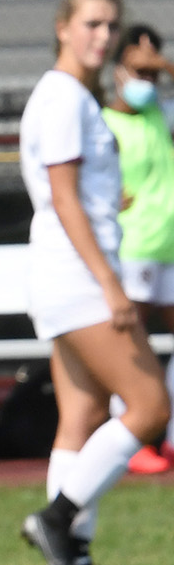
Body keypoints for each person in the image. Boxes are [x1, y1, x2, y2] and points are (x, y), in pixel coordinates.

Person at [18, 0, 170, 565]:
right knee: (151, 405)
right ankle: (57, 518)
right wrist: (110, 283)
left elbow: (75, 192)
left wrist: (112, 200)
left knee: (80, 414)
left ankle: (71, 554)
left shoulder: (73, 97)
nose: (102, 36)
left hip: (63, 271)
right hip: (77, 275)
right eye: (91, 24)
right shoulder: (62, 98)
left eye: (111, 25)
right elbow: (62, 198)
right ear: (63, 28)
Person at [100, 23, 174, 473]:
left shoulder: (161, 115)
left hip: (170, 242)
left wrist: (163, 65)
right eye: (136, 65)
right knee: (132, 346)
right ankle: (129, 440)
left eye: (153, 68)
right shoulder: (104, 122)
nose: (146, 77)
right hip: (135, 246)